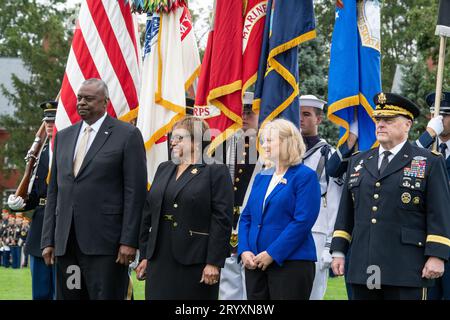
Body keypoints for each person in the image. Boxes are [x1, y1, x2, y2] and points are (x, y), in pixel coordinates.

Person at [331, 92, 450, 300]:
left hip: (405, 267)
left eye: (389, 120)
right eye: (378, 119)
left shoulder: (428, 161)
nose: (381, 124)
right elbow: (346, 213)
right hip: (363, 265)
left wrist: (437, 255)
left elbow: (439, 213)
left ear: (407, 125)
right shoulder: (359, 161)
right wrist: (339, 251)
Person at [40, 78, 147, 300]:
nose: (81, 103)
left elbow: (134, 194)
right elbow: (55, 193)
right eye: (79, 98)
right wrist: (48, 239)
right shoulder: (64, 137)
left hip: (107, 247)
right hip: (67, 245)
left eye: (88, 99)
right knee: (71, 296)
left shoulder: (126, 135)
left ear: (105, 102)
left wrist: (129, 241)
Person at [136, 116, 233, 300]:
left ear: (197, 141)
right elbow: (149, 213)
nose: (172, 142)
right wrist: (146, 254)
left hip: (195, 260)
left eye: (179, 138)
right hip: (159, 259)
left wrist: (213, 262)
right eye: (172, 137)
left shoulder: (215, 171)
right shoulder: (164, 168)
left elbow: (222, 220)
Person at [238, 118, 321, 300]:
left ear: (287, 142)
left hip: (290, 264)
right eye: (263, 140)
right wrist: (244, 250)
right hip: (255, 264)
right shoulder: (262, 176)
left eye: (270, 140)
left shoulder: (305, 176)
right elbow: (247, 217)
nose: (264, 145)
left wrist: (272, 253)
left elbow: (303, 221)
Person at [7, 101, 57, 299]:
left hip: (63, 222)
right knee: (40, 291)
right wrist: (21, 203)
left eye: (53, 121)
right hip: (40, 226)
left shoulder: (72, 149)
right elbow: (35, 194)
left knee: (62, 291)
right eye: (47, 122)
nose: (50, 125)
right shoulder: (40, 154)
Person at [299, 95, 344, 300]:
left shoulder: (329, 155)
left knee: (313, 293)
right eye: (298, 113)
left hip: (315, 232)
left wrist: (330, 244)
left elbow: (334, 201)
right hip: (283, 231)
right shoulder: (282, 152)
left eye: (307, 114)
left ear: (319, 119)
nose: (300, 118)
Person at [219, 92, 261, 300]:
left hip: (254, 221)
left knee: (252, 287)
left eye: (250, 112)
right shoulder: (225, 144)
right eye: (241, 111)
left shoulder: (266, 148)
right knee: (228, 286)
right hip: (228, 219)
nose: (244, 116)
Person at [415, 91, 450, 300]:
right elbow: (403, 167)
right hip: (427, 244)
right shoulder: (424, 152)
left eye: (444, 115)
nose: (438, 120)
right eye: (434, 114)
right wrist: (427, 136)